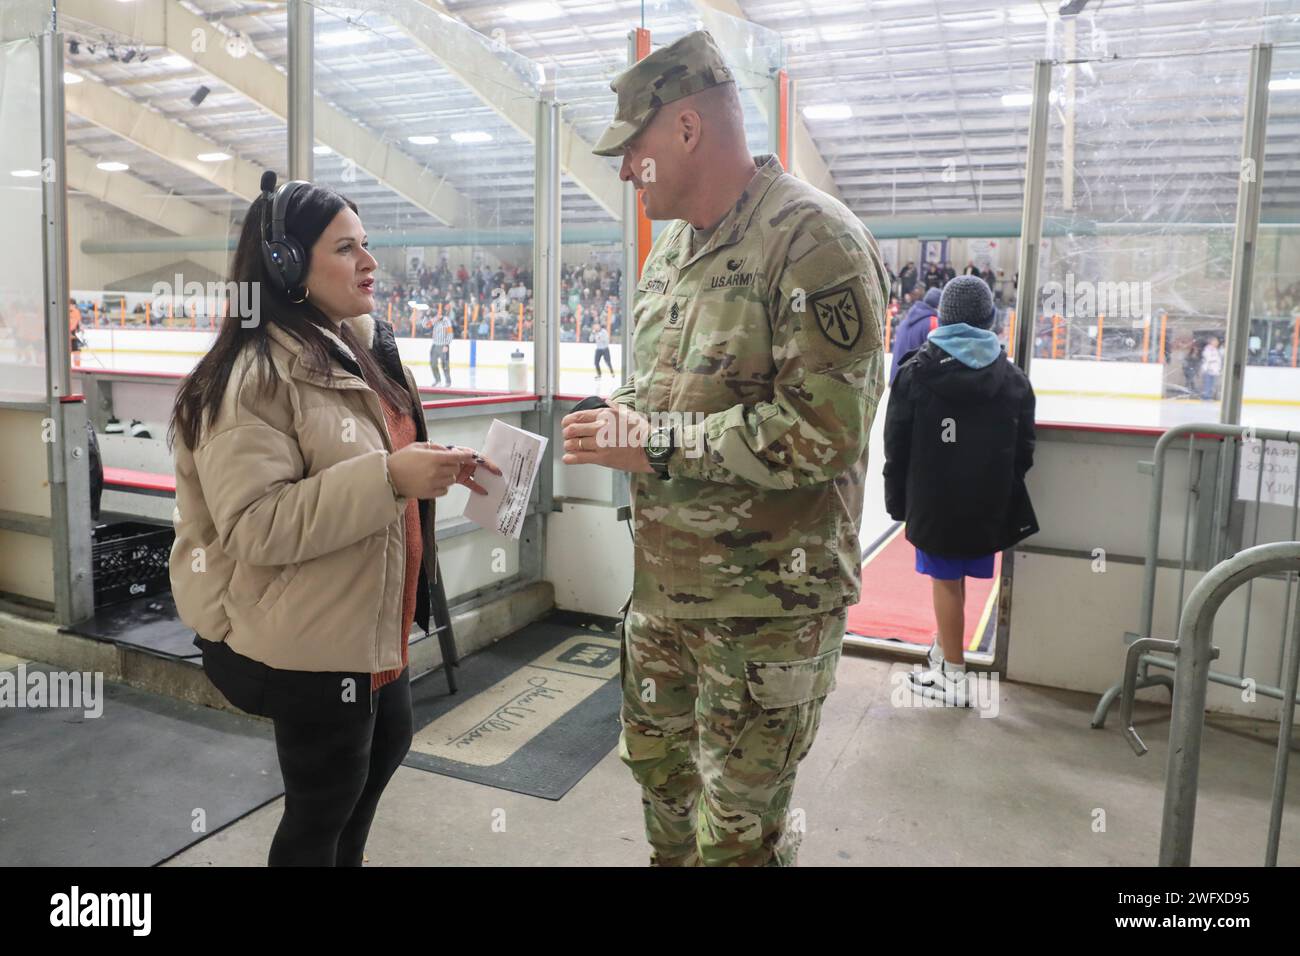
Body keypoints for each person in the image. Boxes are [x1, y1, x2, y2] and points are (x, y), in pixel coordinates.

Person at [565, 30, 888, 866]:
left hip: (764, 617)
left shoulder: (814, 242)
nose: (626, 168)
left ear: (685, 130)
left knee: (736, 843)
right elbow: (665, 389)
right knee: (665, 811)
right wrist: (619, 415)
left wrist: (658, 443)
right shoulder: (672, 252)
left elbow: (827, 430)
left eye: (633, 148)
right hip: (664, 599)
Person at [167, 175, 501, 866]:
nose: (370, 263)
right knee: (319, 816)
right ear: (286, 265)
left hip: (374, 629)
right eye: (347, 248)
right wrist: (389, 477)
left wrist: (425, 466)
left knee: (366, 783)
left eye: (367, 245)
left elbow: (369, 462)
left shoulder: (354, 351)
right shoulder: (252, 376)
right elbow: (257, 525)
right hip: (309, 643)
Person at [883, 276, 1038, 703]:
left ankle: (953, 677)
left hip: (935, 501)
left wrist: (898, 502)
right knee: (955, 577)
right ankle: (944, 651)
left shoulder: (915, 372)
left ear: (944, 318)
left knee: (945, 580)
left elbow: (896, 444)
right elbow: (1024, 448)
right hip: (986, 501)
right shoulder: (1012, 379)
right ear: (989, 319)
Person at [890, 286, 941, 385]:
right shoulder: (932, 322)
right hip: (912, 385)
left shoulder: (907, 318)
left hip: (896, 381)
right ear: (939, 305)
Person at [429, 307, 454, 387]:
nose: (434, 318)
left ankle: (448, 382)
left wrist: (447, 344)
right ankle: (437, 380)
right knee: (433, 364)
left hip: (443, 345)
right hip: (435, 345)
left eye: (436, 316)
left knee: (445, 365)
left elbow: (450, 333)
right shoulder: (434, 321)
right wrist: (429, 319)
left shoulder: (446, 321)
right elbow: (425, 325)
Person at [1200, 334, 1222, 401]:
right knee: (1208, 383)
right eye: (1215, 341)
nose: (1217, 343)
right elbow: (1208, 358)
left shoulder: (1215, 349)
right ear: (1212, 342)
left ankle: (1208, 395)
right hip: (1209, 369)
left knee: (1211, 383)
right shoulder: (1208, 349)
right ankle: (1206, 396)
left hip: (1213, 370)